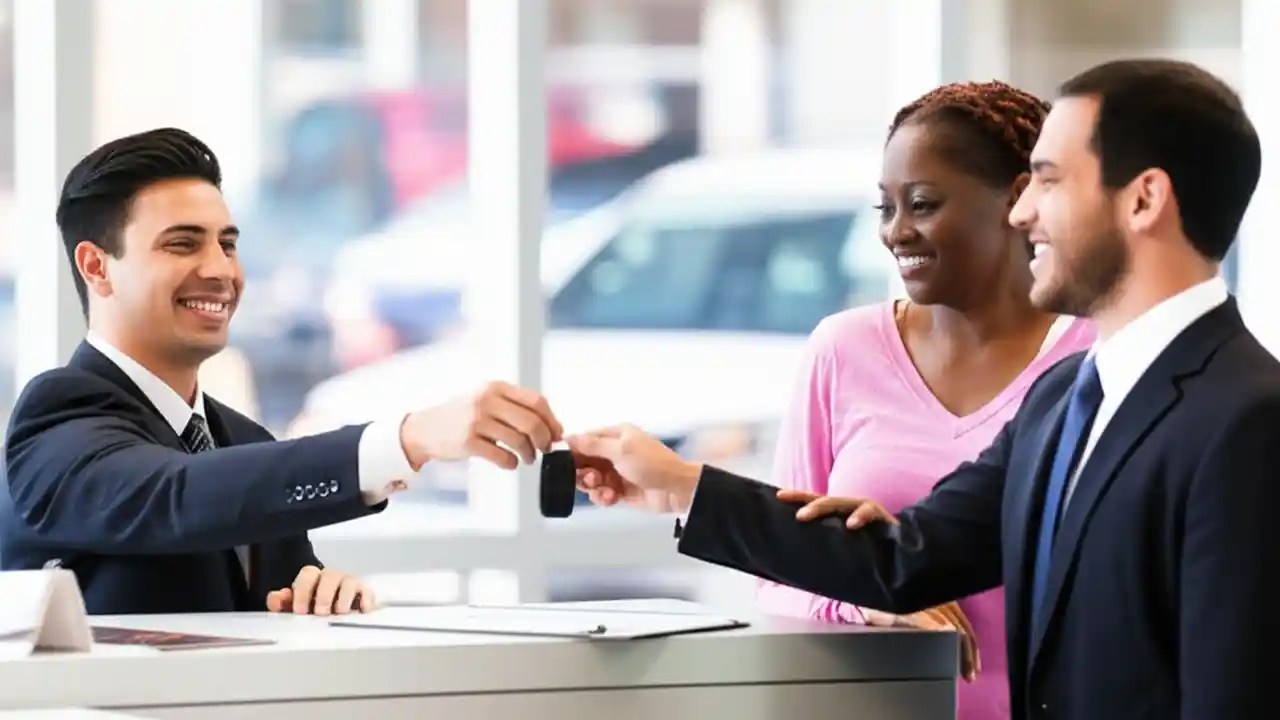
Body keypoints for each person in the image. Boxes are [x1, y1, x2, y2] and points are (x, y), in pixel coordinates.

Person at [570, 58, 1275, 720]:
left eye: (1051, 182)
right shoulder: (1065, 398)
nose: (1024, 213)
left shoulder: (1249, 420)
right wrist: (680, 486)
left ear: (1144, 199)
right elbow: (906, 557)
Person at [0, 128, 563, 616]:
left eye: (227, 244)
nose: (220, 270)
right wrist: (408, 438)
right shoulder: (58, 417)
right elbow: (176, 496)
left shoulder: (242, 441)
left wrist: (324, 598)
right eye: (181, 244)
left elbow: (272, 593)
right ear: (97, 266)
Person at [757, 80, 1094, 720]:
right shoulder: (842, 349)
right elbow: (778, 578)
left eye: (923, 203)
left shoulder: (1096, 361)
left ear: (1018, 201)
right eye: (885, 208)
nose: (896, 232)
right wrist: (865, 600)